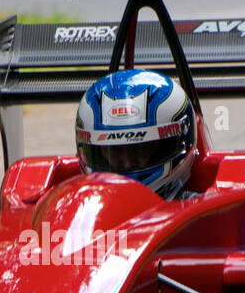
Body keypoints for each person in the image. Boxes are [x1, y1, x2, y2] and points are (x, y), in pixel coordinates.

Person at [75, 69, 197, 199]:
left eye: (140, 148)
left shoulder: (203, 213)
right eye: (114, 150)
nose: (127, 163)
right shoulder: (80, 212)